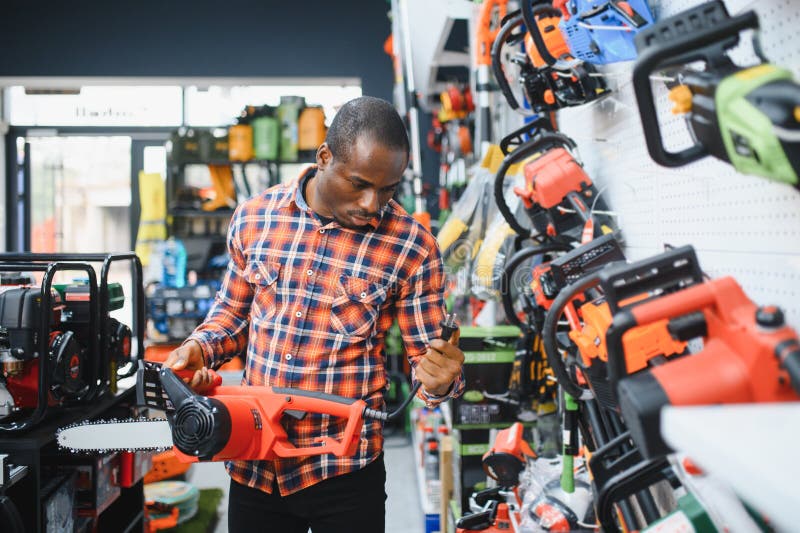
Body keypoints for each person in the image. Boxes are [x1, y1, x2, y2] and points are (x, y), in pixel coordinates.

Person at [164, 96, 465, 532]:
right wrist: (199, 347)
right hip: (255, 462)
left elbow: (428, 363)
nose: (372, 203)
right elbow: (231, 315)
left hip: (345, 470)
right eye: (359, 183)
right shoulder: (254, 218)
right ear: (324, 157)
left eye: (387, 189)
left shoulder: (411, 246)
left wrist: (441, 381)